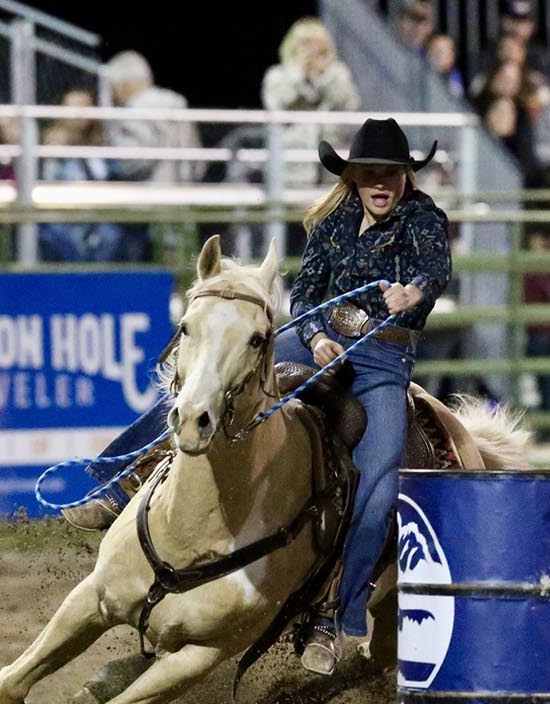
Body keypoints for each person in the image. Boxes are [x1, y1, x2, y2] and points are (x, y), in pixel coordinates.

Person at [66, 118, 450, 673]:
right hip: (315, 334)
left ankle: (338, 614)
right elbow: (308, 290)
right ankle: (116, 484)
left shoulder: (423, 220)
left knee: (382, 476)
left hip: (381, 358)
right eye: (370, 172)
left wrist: (410, 293)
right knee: (205, 382)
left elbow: (434, 270)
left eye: (390, 172)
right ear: (355, 177)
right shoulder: (335, 221)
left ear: (405, 176)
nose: (380, 182)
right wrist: (316, 336)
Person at [262, 17, 359, 188]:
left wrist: (322, 78)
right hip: (292, 163)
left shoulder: (338, 74)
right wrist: (300, 78)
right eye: (304, 43)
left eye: (316, 44)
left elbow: (351, 106)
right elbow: (276, 106)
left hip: (333, 163)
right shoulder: (277, 75)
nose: (310, 50)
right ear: (292, 45)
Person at [102, 50, 201, 185]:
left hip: (149, 193)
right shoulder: (177, 101)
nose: (114, 96)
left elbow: (134, 162)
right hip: (184, 190)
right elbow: (196, 157)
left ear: (124, 85)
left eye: (114, 88)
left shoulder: (134, 110)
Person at [425, 32, 464, 98]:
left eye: (447, 51)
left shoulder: (454, 77)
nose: (441, 56)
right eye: (438, 51)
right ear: (427, 53)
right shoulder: (420, 77)